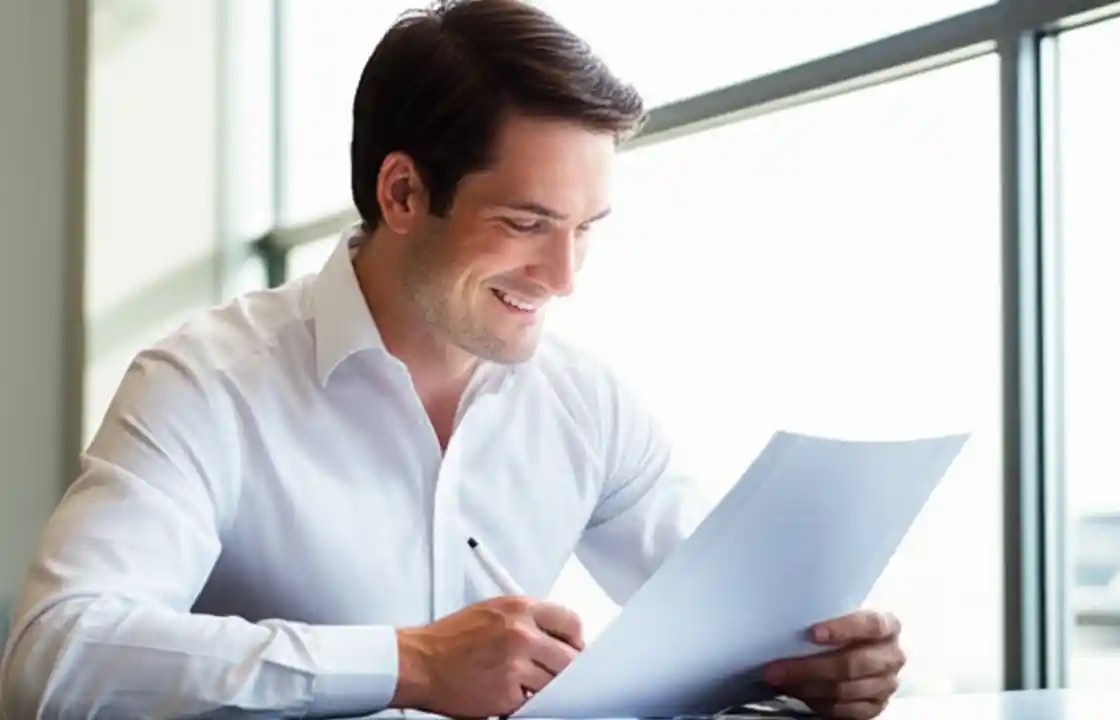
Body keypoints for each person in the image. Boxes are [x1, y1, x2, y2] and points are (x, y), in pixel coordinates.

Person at [0, 1, 906, 718]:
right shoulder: (206, 385)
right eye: (524, 224)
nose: (562, 277)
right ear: (402, 192)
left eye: (584, 232)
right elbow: (54, 659)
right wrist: (408, 663)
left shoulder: (586, 405)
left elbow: (723, 633)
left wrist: (816, 668)